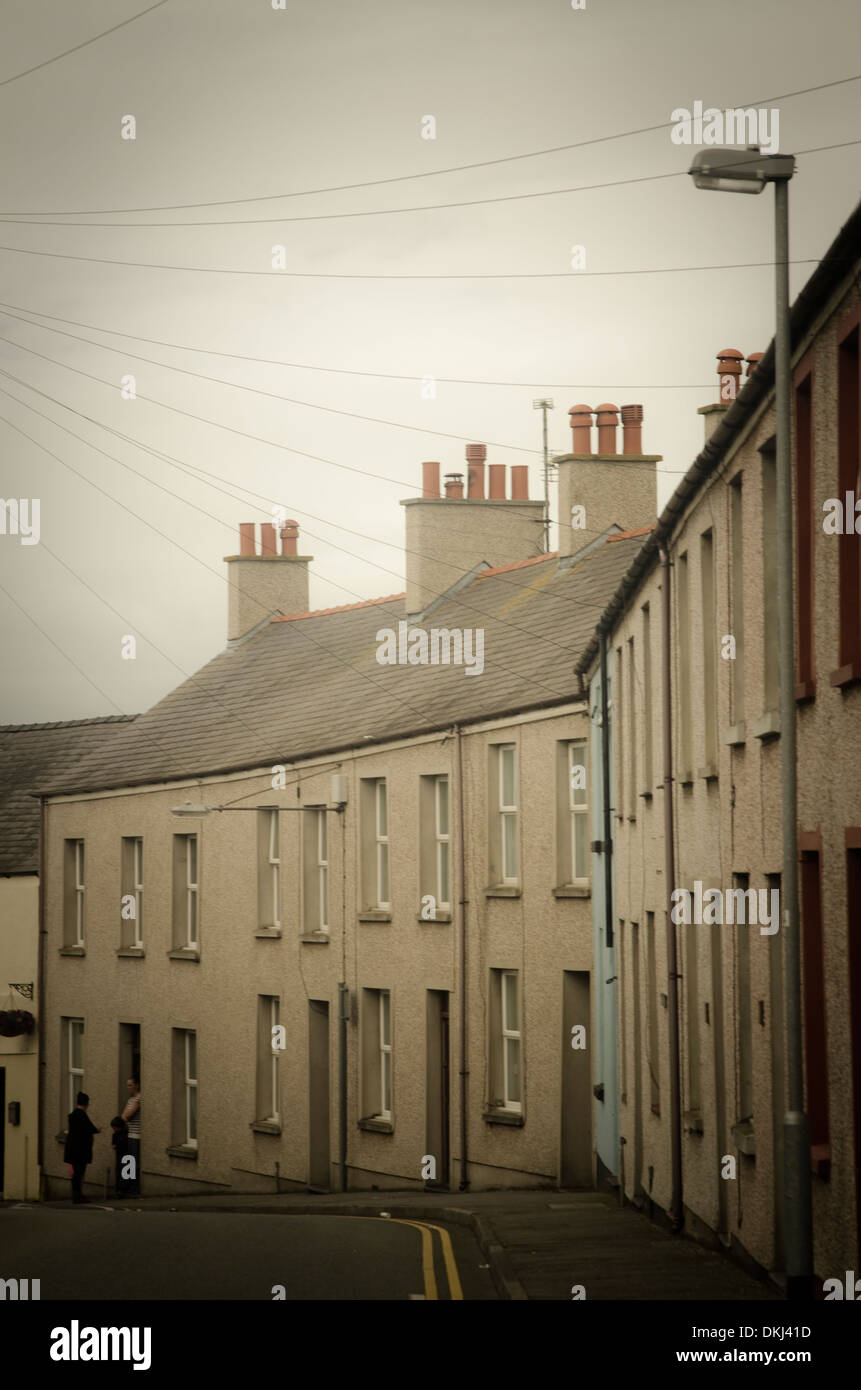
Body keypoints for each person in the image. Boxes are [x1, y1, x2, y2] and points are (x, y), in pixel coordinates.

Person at [63, 1092, 100, 1203]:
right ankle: (78, 1195)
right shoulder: (82, 1115)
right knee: (80, 1172)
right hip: (81, 1150)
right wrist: (98, 1130)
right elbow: (90, 1129)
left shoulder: (72, 1115)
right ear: (86, 1103)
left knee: (75, 1173)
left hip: (72, 1149)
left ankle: (76, 1194)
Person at [121, 1076, 141, 1195]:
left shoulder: (139, 1098)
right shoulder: (130, 1100)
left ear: (136, 1085)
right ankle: (128, 1186)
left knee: (135, 1162)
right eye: (127, 1085)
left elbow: (128, 1116)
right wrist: (125, 1116)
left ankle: (135, 1187)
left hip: (137, 1135)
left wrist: (126, 1116)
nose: (129, 1088)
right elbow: (123, 1115)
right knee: (129, 1161)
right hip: (130, 1134)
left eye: (130, 1085)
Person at [110, 1115, 129, 1197]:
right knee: (119, 1171)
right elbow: (113, 1143)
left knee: (123, 1172)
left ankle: (122, 1189)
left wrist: (116, 1145)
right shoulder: (115, 1134)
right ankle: (119, 1189)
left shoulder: (124, 1134)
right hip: (119, 1154)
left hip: (124, 1154)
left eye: (115, 1128)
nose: (114, 1129)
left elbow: (123, 1144)